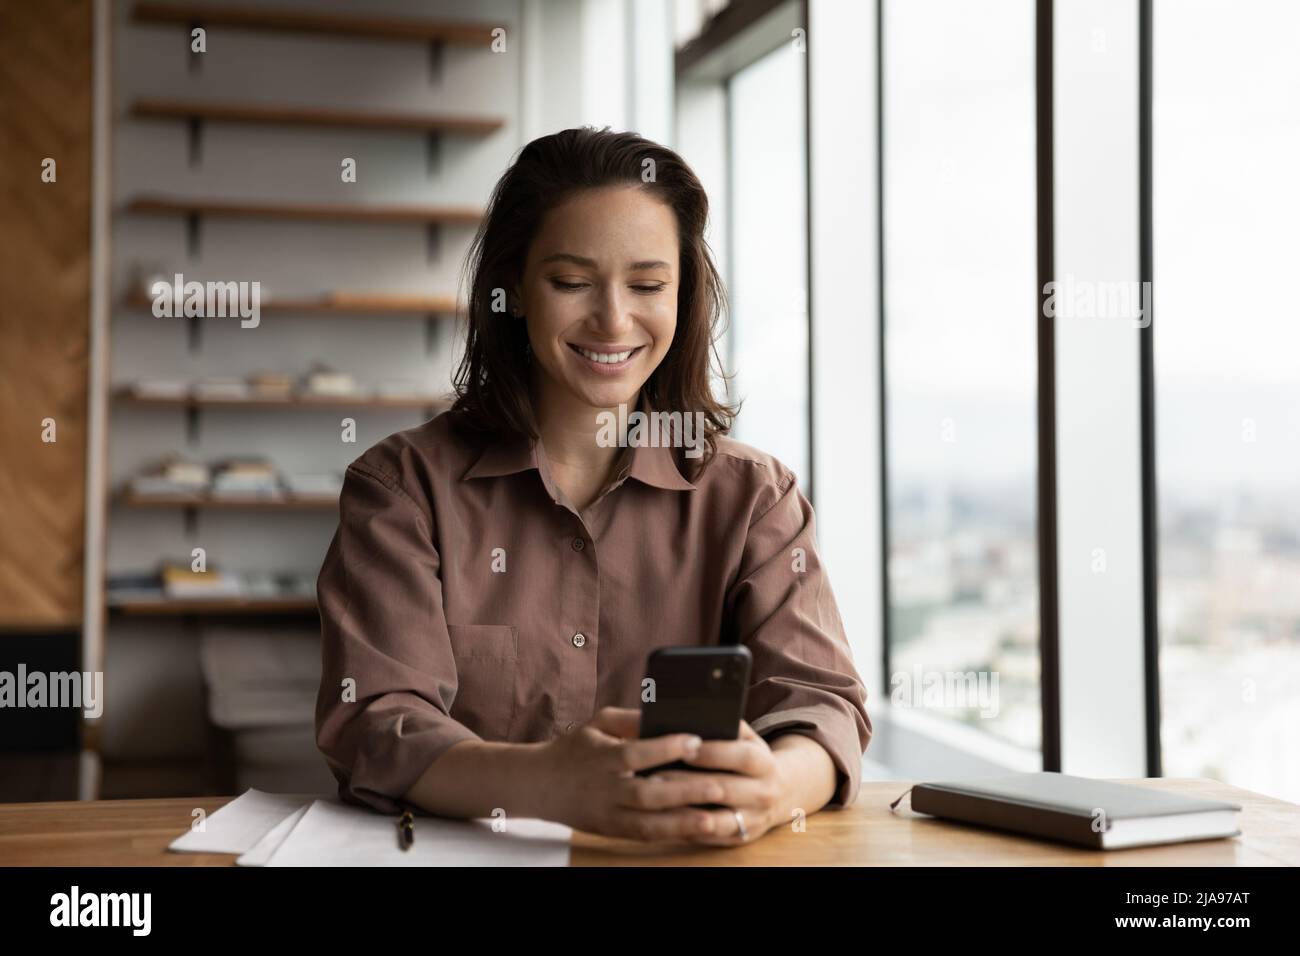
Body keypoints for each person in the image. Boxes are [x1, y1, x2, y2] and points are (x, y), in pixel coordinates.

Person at [315, 126, 871, 846]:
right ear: (512, 289)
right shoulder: (401, 491)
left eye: (647, 285)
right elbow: (374, 720)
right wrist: (546, 782)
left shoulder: (755, 499)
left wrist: (776, 786)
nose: (613, 320)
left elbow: (821, 707)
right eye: (572, 282)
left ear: (684, 293)